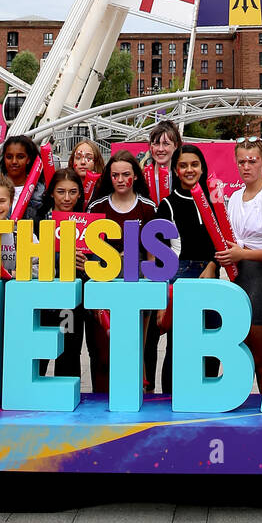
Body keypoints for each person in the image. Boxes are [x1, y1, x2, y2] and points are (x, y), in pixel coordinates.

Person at [88, 152, 157, 392]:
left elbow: (152, 254)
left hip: (136, 288)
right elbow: (86, 249)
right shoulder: (97, 206)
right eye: (115, 175)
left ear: (135, 176)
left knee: (136, 349)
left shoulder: (148, 208)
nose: (120, 179)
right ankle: (103, 399)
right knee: (105, 353)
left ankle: (140, 396)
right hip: (104, 287)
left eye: (126, 174)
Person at [155, 144, 219, 393]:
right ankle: (170, 399)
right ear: (175, 170)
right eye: (183, 165)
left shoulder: (214, 200)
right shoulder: (167, 205)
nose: (189, 169)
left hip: (211, 275)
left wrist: (213, 264)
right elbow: (161, 255)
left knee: (212, 340)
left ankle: (210, 394)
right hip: (180, 277)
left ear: (202, 168)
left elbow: (223, 240)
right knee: (178, 344)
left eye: (194, 164)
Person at [220, 139, 262, 391]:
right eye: (242, 161)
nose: (246, 167)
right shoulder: (234, 197)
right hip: (239, 277)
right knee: (242, 353)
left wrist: (243, 254)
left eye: (252, 161)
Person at [50, 168, 106, 388]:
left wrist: (89, 264)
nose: (66, 198)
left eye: (73, 192)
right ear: (52, 193)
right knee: (58, 347)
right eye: (61, 191)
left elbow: (104, 259)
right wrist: (57, 257)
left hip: (83, 297)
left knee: (83, 347)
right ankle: (54, 395)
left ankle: (82, 396)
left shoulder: (88, 220)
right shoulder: (41, 220)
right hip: (55, 297)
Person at [142, 120, 182, 390]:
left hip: (179, 257)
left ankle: (171, 389)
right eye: (156, 142)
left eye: (167, 142)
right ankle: (146, 386)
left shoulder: (184, 174)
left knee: (177, 328)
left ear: (177, 146)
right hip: (147, 256)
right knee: (148, 330)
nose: (161, 147)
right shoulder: (142, 175)